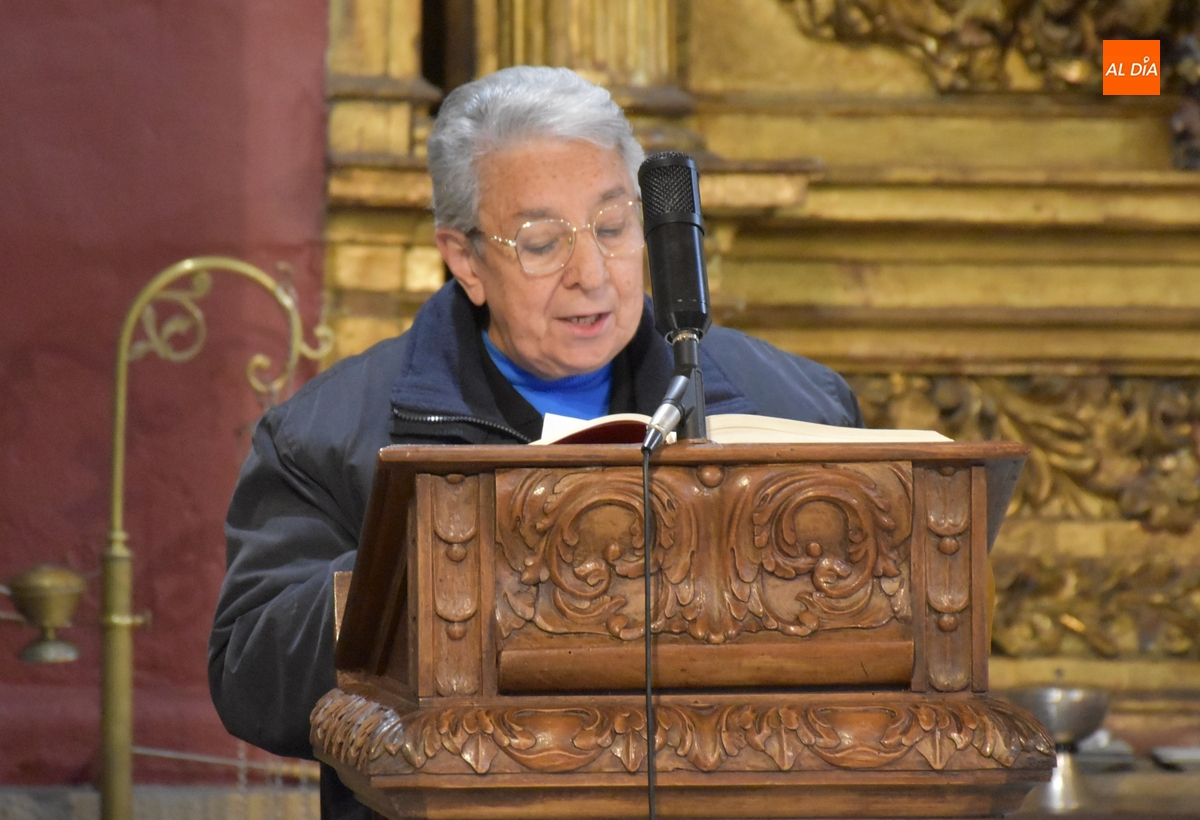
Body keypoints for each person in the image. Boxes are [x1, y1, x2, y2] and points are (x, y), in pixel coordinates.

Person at [208, 65, 863, 819]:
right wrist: (430, 558)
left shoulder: (800, 405)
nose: (593, 276)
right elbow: (252, 681)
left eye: (614, 229)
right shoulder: (326, 435)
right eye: (542, 242)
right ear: (465, 260)